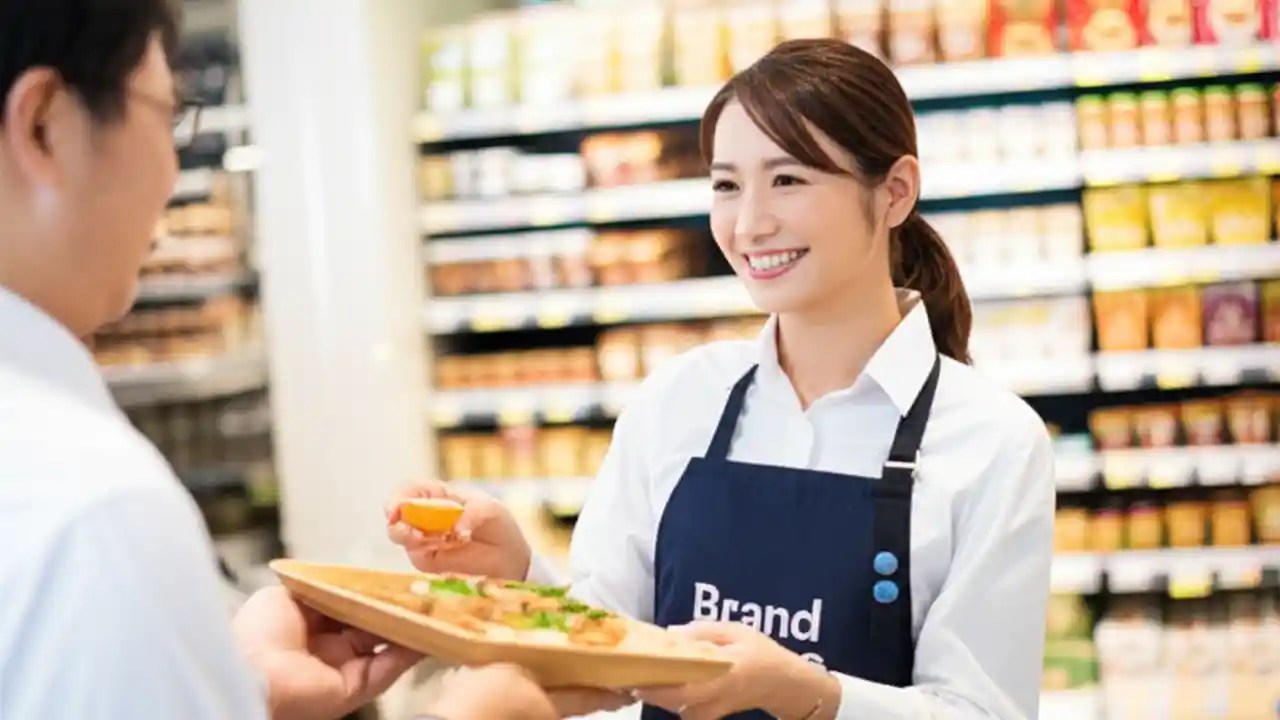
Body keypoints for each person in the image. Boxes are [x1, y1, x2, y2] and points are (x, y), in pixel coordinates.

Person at [389, 38, 1056, 720]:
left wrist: (811, 696)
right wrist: (517, 576)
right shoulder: (680, 399)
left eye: (788, 180)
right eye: (727, 185)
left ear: (894, 192)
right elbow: (609, 647)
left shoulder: (991, 441)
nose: (748, 224)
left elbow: (983, 712)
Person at [0, 3, 607, 719]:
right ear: (45, 124)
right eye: (168, 114)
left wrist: (243, 685)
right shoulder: (96, 512)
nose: (171, 173)